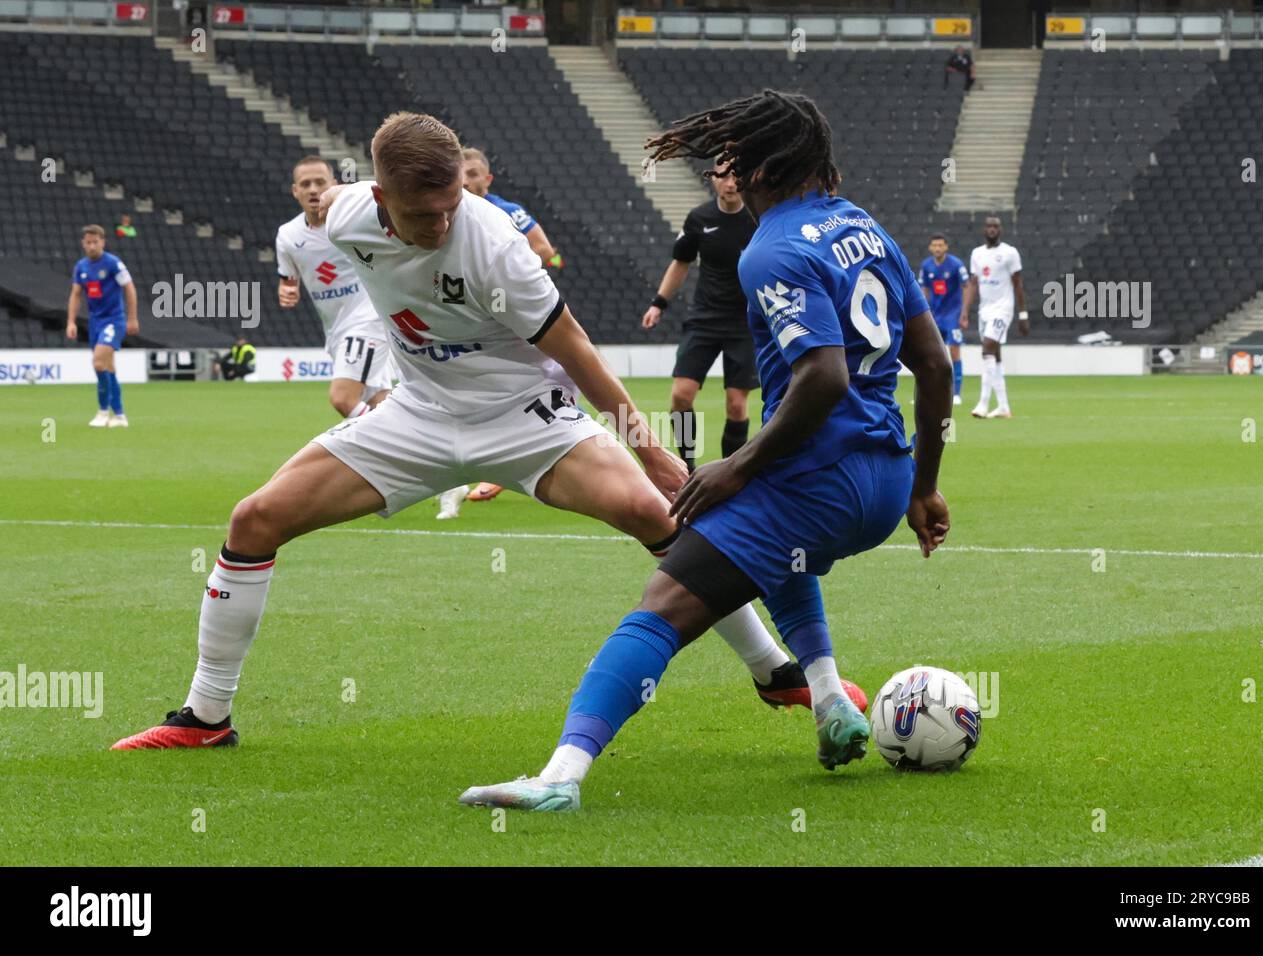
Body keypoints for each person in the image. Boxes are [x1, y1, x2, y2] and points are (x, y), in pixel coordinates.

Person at [109, 111, 863, 753]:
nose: (441, 224)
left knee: (651, 513)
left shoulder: (494, 242)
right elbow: (323, 204)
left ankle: (776, 673)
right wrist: (311, 214)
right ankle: (207, 716)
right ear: (380, 199)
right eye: (422, 214)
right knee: (254, 519)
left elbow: (577, 353)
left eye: (451, 207)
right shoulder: (345, 213)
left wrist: (651, 448)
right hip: (416, 415)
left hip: (523, 417)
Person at [459, 89, 953, 812]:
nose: (725, 176)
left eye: (732, 162)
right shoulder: (865, 228)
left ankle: (561, 777)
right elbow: (935, 365)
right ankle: (827, 699)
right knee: (766, 548)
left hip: (817, 478)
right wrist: (924, 488)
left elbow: (824, 376)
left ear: (759, 168)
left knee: (662, 604)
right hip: (886, 480)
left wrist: (735, 465)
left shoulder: (772, 250)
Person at [459, 147, 563, 507]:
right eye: (462, 173)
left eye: (474, 173)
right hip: (474, 318)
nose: (467, 180)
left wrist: (498, 277)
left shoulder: (506, 211)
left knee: (529, 380)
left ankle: (518, 459)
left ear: (487, 179)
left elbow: (544, 249)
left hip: (511, 312)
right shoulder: (449, 214)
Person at [642, 159, 758, 471]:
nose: (730, 183)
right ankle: (687, 468)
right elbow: (680, 263)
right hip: (704, 319)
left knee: (736, 404)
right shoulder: (699, 218)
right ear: (712, 179)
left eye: (736, 176)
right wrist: (659, 303)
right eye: (722, 176)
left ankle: (729, 473)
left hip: (745, 323)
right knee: (681, 396)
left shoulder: (758, 219)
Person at [276, 155, 394, 422]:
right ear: (295, 190)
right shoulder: (288, 235)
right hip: (336, 331)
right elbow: (287, 282)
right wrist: (286, 292)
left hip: (369, 319)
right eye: (305, 184)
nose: (313, 189)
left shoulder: (351, 222)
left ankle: (384, 448)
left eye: (320, 182)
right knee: (379, 403)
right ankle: (412, 448)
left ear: (333, 184)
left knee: (343, 398)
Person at [67, 224, 138, 428]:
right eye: (88, 242)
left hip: (113, 320)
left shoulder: (114, 263)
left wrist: (132, 319)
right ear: (83, 243)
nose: (91, 246)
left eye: (95, 242)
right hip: (95, 322)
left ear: (103, 242)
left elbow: (130, 289)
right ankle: (120, 415)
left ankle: (102, 411)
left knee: (98, 362)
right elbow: (75, 295)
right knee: (108, 367)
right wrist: (71, 321)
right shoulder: (81, 267)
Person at [961, 216, 1027, 419]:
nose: (992, 229)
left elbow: (1018, 284)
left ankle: (982, 403)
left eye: (996, 226)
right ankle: (1003, 406)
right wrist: (965, 311)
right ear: (984, 229)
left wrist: (1023, 314)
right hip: (985, 310)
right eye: (989, 226)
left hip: (1003, 309)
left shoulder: (1009, 253)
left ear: (1001, 229)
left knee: (987, 348)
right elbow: (973, 283)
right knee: (995, 356)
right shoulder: (977, 254)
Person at [916, 234, 969, 404]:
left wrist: (964, 313)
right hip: (935, 315)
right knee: (929, 354)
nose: (937, 248)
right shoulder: (926, 266)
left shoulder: (956, 265)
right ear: (931, 247)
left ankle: (956, 393)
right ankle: (927, 393)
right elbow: (923, 289)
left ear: (946, 247)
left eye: (940, 245)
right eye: (934, 245)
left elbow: (967, 286)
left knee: (954, 352)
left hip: (953, 315)